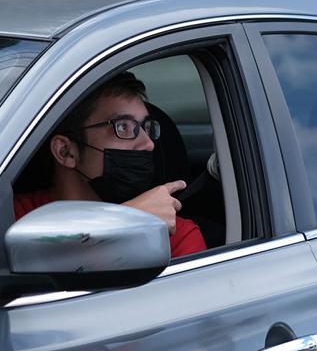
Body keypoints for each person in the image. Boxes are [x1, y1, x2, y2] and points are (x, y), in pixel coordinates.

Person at [14, 71, 206, 258]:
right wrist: (121, 222)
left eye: (147, 128)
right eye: (123, 127)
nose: (148, 144)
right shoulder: (14, 219)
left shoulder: (173, 235)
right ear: (66, 151)